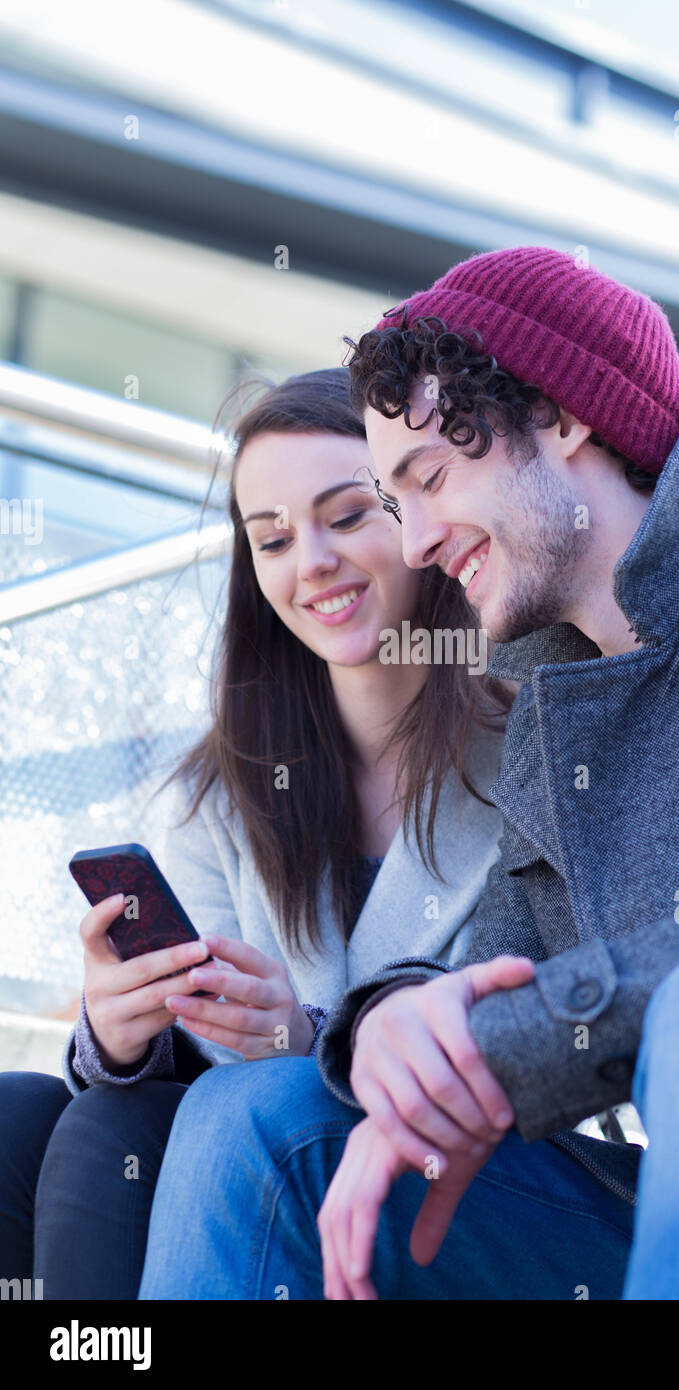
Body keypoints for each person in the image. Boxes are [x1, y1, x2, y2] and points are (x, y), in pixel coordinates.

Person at [138, 247, 679, 1301]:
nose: (419, 543)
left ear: (562, 418)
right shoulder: (552, 710)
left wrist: (513, 1033)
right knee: (270, 1127)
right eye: (395, 501)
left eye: (428, 481)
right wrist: (391, 1030)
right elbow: (496, 980)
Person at [0, 366, 512, 1300]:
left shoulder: (533, 758)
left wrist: (304, 1034)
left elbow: (521, 1037)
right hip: (232, 1145)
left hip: (448, 1172)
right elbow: (180, 1064)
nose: (308, 560)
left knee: (152, 1127)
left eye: (350, 515)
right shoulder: (215, 791)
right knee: (22, 1116)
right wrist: (122, 1035)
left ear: (428, 517)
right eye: (270, 539)